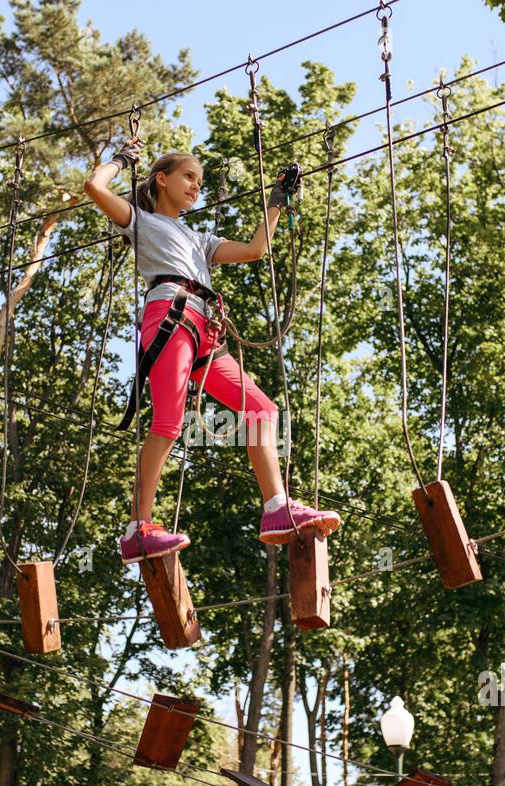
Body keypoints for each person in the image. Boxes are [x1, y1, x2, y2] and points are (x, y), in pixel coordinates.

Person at [84, 138, 340, 564]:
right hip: (170, 315)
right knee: (167, 420)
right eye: (188, 176)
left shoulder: (199, 239)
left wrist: (278, 198)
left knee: (262, 409)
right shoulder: (143, 221)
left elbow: (257, 249)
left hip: (205, 326)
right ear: (161, 179)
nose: (195, 187)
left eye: (200, 182)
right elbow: (94, 188)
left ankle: (276, 509)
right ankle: (138, 529)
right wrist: (120, 160)